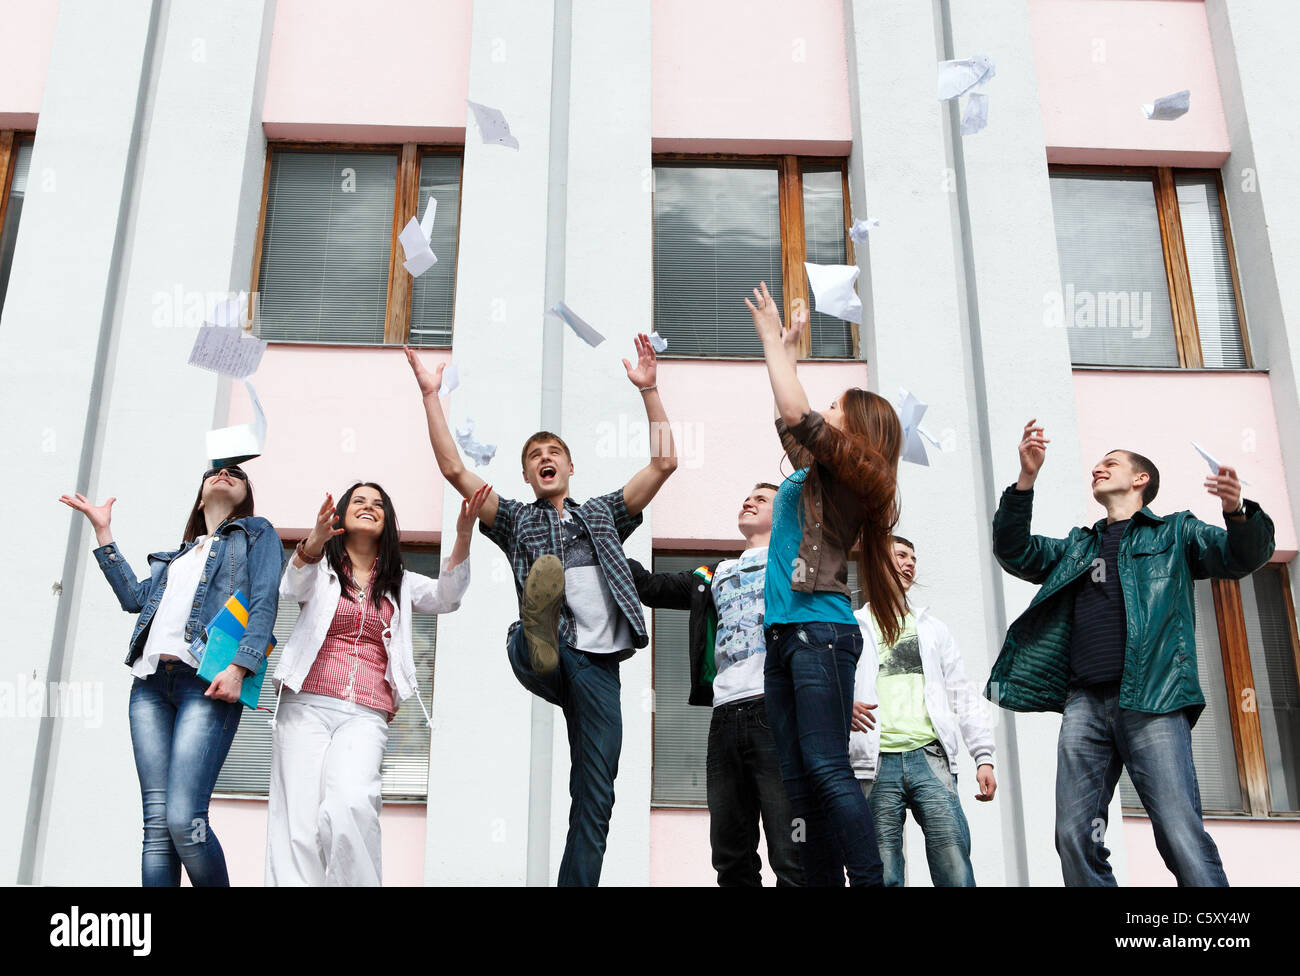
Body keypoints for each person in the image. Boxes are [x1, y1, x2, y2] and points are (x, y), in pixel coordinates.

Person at [404, 335, 677, 886]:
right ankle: (539, 627)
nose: (544, 460)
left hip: (599, 666)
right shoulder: (514, 521)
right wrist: (432, 396)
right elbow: (456, 471)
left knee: (597, 794)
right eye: (534, 457)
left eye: (553, 453)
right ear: (527, 476)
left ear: (570, 466)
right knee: (536, 614)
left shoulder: (603, 513)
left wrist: (650, 390)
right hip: (544, 654)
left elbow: (665, 461)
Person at [987, 420, 1275, 886]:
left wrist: (1238, 511)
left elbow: (1242, 557)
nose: (1097, 468)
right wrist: (1026, 480)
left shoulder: (1176, 533)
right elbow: (1014, 550)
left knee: (1179, 833)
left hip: (1154, 697)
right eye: (1098, 463)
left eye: (1111, 462)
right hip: (1084, 704)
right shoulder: (1079, 548)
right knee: (1073, 836)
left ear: (1140, 480)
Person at [745, 281, 907, 887]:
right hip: (785, 638)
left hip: (821, 636)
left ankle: (870, 881)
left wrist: (770, 340)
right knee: (796, 782)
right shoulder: (820, 471)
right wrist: (783, 355)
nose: (826, 411)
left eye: (837, 407)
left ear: (858, 428)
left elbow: (797, 416)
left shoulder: (856, 475)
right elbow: (794, 423)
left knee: (825, 768)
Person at [60, 466, 282, 886]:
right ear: (200, 497)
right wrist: (104, 532)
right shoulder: (176, 558)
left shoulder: (256, 535)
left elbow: (263, 601)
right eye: (215, 471)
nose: (225, 474)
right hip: (148, 686)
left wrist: (241, 666)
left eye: (236, 473)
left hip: (206, 683)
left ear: (246, 496)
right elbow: (133, 598)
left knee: (185, 820)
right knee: (158, 829)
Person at [266, 481, 488, 886]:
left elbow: (447, 597)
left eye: (378, 504)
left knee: (352, 804)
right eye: (359, 501)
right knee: (297, 826)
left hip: (365, 714)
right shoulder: (321, 569)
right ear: (341, 517)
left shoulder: (400, 581)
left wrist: (462, 534)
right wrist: (313, 542)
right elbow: (290, 587)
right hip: (305, 705)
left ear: (386, 521)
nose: (369, 506)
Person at [629, 483, 803, 886]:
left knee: (792, 852)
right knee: (730, 856)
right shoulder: (713, 573)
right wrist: (604, 536)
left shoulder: (793, 563)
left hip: (775, 713)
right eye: (747, 496)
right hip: (723, 719)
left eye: (762, 499)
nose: (749, 500)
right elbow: (649, 588)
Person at [849, 536, 996, 887]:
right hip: (874, 760)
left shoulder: (932, 628)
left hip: (930, 755)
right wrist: (842, 707)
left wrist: (984, 756)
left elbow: (963, 691)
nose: (909, 563)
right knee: (881, 872)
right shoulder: (853, 626)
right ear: (875, 563)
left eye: (913, 558)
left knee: (954, 866)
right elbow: (830, 682)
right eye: (900, 555)